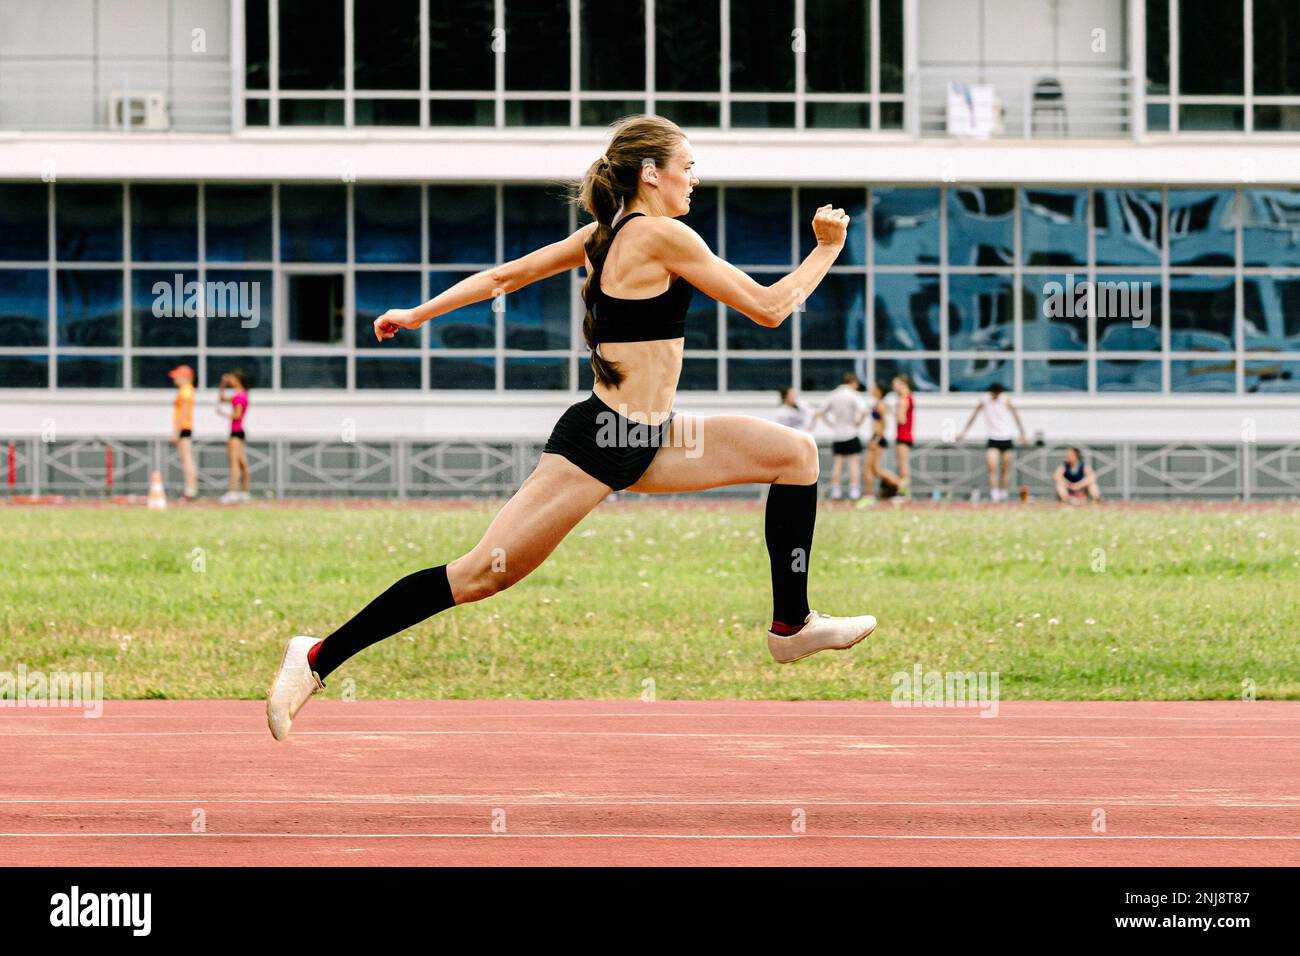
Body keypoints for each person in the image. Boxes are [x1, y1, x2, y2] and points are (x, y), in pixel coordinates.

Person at [266, 115, 877, 740]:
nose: (695, 179)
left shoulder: (604, 235)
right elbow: (771, 309)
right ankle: (316, 657)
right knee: (481, 573)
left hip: (654, 437)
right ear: (651, 174)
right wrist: (827, 247)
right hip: (601, 440)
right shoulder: (661, 236)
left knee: (796, 454)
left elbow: (506, 276)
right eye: (688, 167)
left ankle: (791, 625)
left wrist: (418, 313)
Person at [957, 382, 1027, 502]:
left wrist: (1022, 433)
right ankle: (995, 494)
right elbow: (973, 416)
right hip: (993, 438)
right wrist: (963, 432)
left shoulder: (1005, 400)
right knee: (992, 467)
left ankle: (1003, 493)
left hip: (1006, 437)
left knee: (1005, 468)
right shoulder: (984, 400)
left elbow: (1016, 416)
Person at [812, 372, 867, 500]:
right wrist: (858, 422)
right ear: (853, 382)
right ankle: (854, 490)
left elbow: (820, 412)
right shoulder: (853, 395)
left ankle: (836, 490)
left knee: (837, 463)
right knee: (853, 463)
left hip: (837, 434)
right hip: (851, 432)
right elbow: (864, 410)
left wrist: (831, 424)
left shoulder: (834, 395)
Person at [863, 380, 900, 501]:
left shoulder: (881, 405)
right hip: (875, 436)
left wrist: (876, 439)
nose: (872, 390)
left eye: (874, 388)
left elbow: (884, 424)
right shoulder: (878, 403)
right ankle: (897, 483)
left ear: (879, 391)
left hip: (878, 438)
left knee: (868, 468)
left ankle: (869, 496)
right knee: (874, 470)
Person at [216, 370, 250, 504]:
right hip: (240, 431)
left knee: (234, 463)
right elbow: (221, 398)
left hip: (235, 432)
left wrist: (222, 414)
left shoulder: (238, 397)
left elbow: (237, 415)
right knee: (242, 463)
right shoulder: (242, 394)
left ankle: (233, 492)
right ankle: (245, 492)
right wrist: (223, 384)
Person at [168, 364, 197, 500]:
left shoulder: (185, 390)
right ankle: (190, 489)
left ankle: (190, 490)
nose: (175, 380)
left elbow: (183, 414)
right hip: (184, 428)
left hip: (184, 429)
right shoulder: (187, 390)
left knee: (187, 459)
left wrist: (176, 432)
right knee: (186, 459)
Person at [890, 374, 915, 498]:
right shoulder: (908, 397)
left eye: (895, 384)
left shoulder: (903, 399)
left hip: (903, 436)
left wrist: (894, 412)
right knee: (902, 464)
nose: (894, 387)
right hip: (905, 435)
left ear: (902, 383)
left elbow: (901, 419)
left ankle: (904, 493)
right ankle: (904, 492)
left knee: (903, 465)